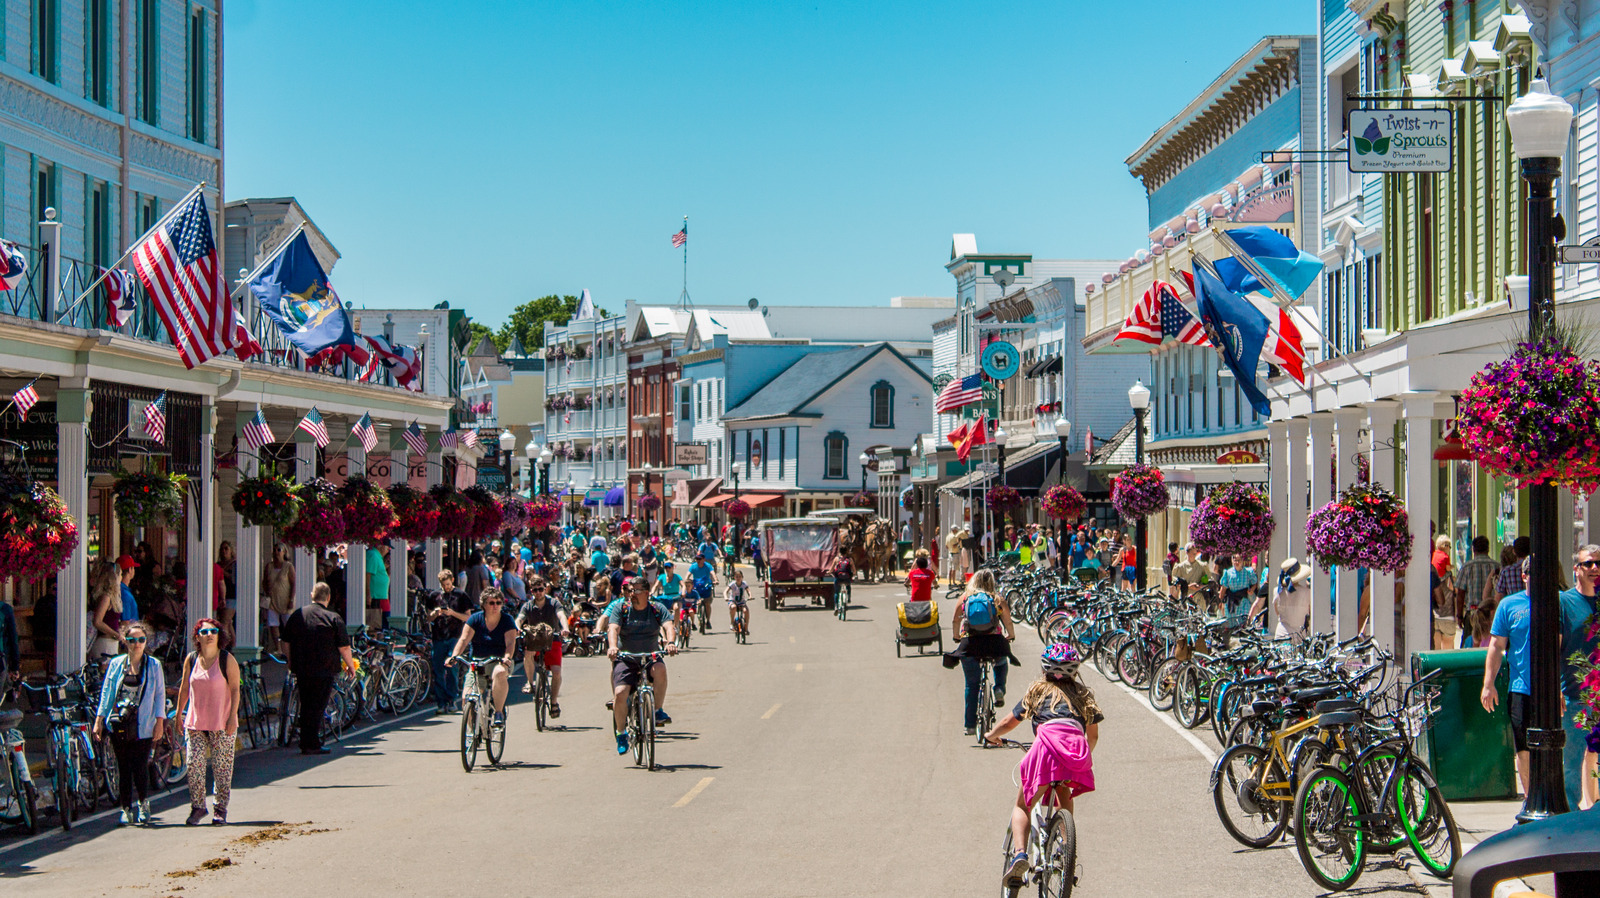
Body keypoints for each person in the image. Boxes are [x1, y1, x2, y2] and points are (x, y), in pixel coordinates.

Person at [984, 643, 1102, 890]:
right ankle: (1066, 852)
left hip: (1046, 749)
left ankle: (1019, 855)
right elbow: (1092, 736)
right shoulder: (1084, 695)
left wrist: (992, 735)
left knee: (1023, 805)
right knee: (1064, 793)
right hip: (1075, 751)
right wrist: (1081, 756)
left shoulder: (1038, 691)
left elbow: (1008, 722)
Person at [93, 621, 166, 826]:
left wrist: (159, 722)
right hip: (120, 723)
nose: (137, 644)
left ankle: (143, 803)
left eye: (141, 640)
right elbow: (107, 693)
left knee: (140, 766)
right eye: (132, 640)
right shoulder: (117, 664)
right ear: (125, 641)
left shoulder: (153, 665)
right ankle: (126, 809)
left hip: (143, 724)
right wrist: (99, 720)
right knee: (123, 767)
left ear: (146, 642)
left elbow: (159, 695)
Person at [175, 618, 239, 826]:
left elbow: (236, 689)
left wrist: (232, 717)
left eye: (213, 631)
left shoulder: (226, 659)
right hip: (196, 722)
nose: (209, 635)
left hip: (222, 721)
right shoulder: (191, 659)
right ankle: (198, 806)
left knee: (222, 768)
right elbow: (185, 687)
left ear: (219, 635)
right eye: (205, 632)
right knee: (194, 764)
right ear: (197, 637)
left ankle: (220, 809)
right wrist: (178, 714)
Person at [605, 576, 679, 755]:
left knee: (660, 669)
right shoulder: (621, 608)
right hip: (627, 658)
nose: (632, 594)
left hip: (650, 656)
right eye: (630, 591)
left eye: (636, 591)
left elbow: (669, 626)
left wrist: (670, 642)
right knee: (620, 693)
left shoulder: (656, 608)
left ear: (646, 593)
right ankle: (621, 733)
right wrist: (613, 647)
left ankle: (657, 709)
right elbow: (613, 628)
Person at [279, 582, 355, 755]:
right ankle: (311, 742)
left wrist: (290, 661)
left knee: (306, 704)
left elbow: (284, 641)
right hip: (324, 669)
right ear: (328, 597)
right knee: (317, 706)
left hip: (302, 667)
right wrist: (350, 665)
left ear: (312, 595)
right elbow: (344, 647)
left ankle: (307, 740)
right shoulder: (333, 617)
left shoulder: (298, 615)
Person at [946, 569, 1017, 735]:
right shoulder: (997, 598)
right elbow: (1008, 621)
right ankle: (999, 688)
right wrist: (1010, 635)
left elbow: (955, 620)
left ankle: (970, 725)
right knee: (1000, 661)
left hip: (970, 643)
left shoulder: (965, 598)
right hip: (993, 642)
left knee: (971, 684)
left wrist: (957, 636)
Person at [1482, 558, 1532, 794]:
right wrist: (1488, 684)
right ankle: (1531, 798)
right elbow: (1496, 645)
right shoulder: (1509, 606)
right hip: (1521, 687)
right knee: (1523, 748)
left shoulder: (1558, 602)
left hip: (1552, 689)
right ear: (1524, 576)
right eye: (1532, 572)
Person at [1560, 545, 1600, 811]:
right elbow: (1554, 647)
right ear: (1576, 568)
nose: (1595, 568)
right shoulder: (1564, 602)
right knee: (1571, 764)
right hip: (1575, 696)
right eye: (1589, 564)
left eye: (1598, 563)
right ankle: (1572, 818)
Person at [447, 586, 518, 727]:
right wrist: (454, 656)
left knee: (500, 672)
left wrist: (507, 658)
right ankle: (473, 731)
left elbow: (510, 642)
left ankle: (498, 712)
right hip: (478, 663)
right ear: (484, 604)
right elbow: (463, 640)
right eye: (491, 603)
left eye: (498, 603)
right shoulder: (475, 619)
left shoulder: (507, 620)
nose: (495, 606)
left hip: (498, 661)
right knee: (466, 698)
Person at [516, 577, 569, 716]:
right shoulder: (528, 605)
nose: (538, 592)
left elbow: (561, 615)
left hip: (553, 639)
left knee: (556, 672)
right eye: (535, 590)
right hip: (535, 639)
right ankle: (530, 683)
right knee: (528, 653)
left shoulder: (553, 603)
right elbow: (520, 619)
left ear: (545, 589)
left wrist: (565, 628)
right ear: (531, 591)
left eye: (541, 589)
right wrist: (517, 627)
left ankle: (554, 702)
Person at [428, 571, 473, 713]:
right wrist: (435, 613)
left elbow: (467, 617)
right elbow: (428, 618)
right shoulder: (434, 596)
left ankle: (452, 699)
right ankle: (441, 703)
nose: (446, 587)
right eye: (443, 585)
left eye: (448, 584)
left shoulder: (461, 595)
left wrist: (452, 613)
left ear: (452, 580)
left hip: (455, 635)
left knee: (452, 667)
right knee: (438, 669)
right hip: (438, 636)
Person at [1455, 536, 1500, 649]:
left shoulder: (1467, 567)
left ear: (1473, 549)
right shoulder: (1496, 566)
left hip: (1473, 613)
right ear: (1488, 549)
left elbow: (1460, 594)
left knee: (1469, 647)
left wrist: (1459, 615)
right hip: (1492, 615)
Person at [261, 544, 296, 655]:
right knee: (273, 624)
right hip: (272, 600)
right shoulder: (269, 566)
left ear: (284, 552)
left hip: (285, 600)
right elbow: (265, 581)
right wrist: (267, 591)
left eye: (279, 550)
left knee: (288, 624)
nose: (276, 552)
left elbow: (293, 583)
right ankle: (278, 648)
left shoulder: (288, 566)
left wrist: (291, 599)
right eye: (275, 550)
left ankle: (291, 648)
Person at [88, 560, 125, 661]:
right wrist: (115, 634)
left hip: (111, 642)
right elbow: (97, 621)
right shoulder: (106, 597)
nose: (121, 577)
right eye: (120, 574)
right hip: (105, 642)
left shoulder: (112, 596)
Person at [1272, 558, 1313, 643]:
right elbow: (1309, 613)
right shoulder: (1307, 592)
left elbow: (1277, 612)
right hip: (1299, 634)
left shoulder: (1277, 591)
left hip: (1282, 633)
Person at [1220, 555, 1256, 629]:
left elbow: (1255, 583)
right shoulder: (1228, 573)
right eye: (1235, 560)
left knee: (1243, 623)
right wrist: (1221, 602)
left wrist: (1252, 589)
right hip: (1231, 602)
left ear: (1242, 561)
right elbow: (1223, 588)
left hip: (1244, 600)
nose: (1237, 562)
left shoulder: (1248, 572)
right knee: (1232, 625)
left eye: (1239, 560)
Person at [365, 543, 391, 630]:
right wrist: (368, 594)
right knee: (378, 626)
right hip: (376, 598)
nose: (388, 550)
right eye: (388, 547)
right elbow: (367, 575)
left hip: (382, 597)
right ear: (382, 546)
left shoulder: (377, 556)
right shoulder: (373, 555)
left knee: (384, 625)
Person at [687, 553, 716, 628]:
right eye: (697, 559)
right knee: (696, 603)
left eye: (700, 559)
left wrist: (715, 580)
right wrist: (686, 581)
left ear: (704, 559)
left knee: (707, 604)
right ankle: (699, 616)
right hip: (697, 587)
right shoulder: (693, 566)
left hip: (706, 586)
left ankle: (708, 621)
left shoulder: (708, 566)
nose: (698, 561)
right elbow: (688, 574)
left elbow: (712, 573)